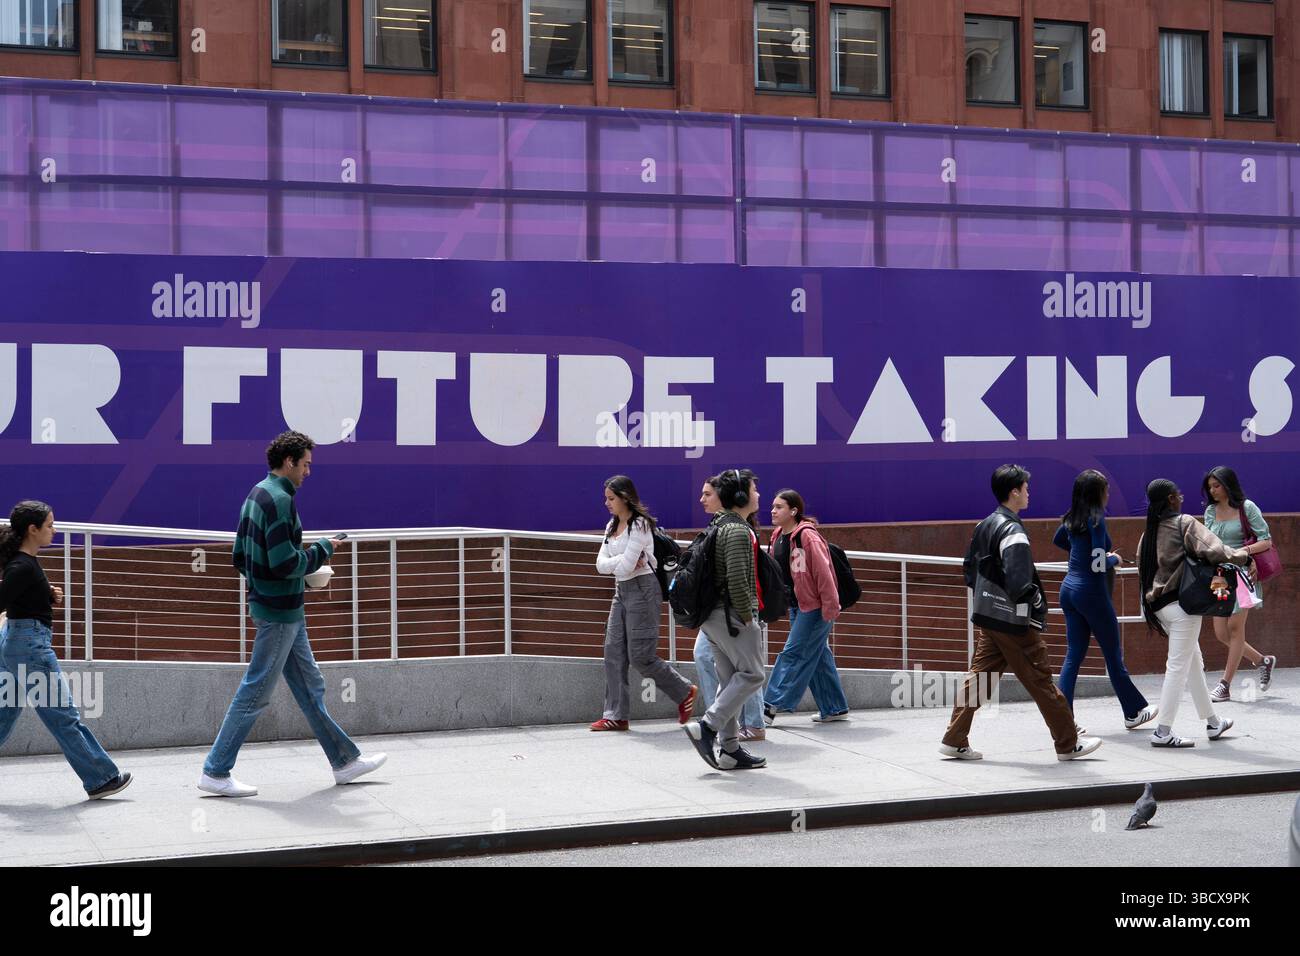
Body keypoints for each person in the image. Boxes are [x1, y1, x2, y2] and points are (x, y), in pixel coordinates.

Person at [199, 431, 386, 796]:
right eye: (306, 465)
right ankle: (215, 771)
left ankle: (345, 761)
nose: (308, 472)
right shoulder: (281, 499)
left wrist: (263, 585)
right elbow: (286, 562)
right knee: (256, 692)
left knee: (310, 687)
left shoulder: (256, 493)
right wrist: (320, 552)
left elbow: (240, 555)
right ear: (290, 462)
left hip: (277, 607)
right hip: (280, 612)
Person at [941, 465, 1101, 762]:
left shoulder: (984, 525)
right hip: (1013, 620)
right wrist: (1035, 602)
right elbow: (1019, 582)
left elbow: (969, 569)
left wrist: (987, 598)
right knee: (1040, 679)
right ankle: (1068, 743)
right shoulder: (1012, 530)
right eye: (1026, 488)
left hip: (988, 616)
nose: (1029, 492)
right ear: (1014, 492)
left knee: (979, 680)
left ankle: (954, 738)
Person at [0, 501, 132, 799]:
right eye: (49, 525)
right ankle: (101, 779)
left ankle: (99, 777)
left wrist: (46, 594)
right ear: (32, 530)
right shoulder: (22, 566)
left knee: (3, 713)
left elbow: (18, 595)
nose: (54, 530)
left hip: (17, 643)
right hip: (30, 648)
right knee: (63, 716)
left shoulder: (24, 563)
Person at [1137, 478, 1247, 747]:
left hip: (1159, 609)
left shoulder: (1147, 533)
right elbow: (1216, 550)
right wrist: (1245, 555)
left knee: (1192, 663)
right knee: (1177, 667)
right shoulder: (1184, 523)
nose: (1182, 497)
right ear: (1172, 499)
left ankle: (1212, 722)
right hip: (1183, 608)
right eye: (1179, 493)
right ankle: (1163, 732)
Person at [591, 475, 697, 731]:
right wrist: (620, 564)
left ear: (625, 497)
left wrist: (619, 564)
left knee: (641, 656)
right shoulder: (611, 525)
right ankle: (615, 715)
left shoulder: (640, 525)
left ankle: (684, 691)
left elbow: (627, 566)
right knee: (613, 652)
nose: (607, 503)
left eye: (611, 498)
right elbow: (600, 565)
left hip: (643, 589)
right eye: (606, 498)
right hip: (622, 591)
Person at [1053, 470, 1156, 732]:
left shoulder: (1071, 517)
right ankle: (1133, 711)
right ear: (1097, 494)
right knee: (1112, 655)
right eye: (1106, 489)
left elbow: (1059, 540)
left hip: (1069, 589)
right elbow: (1099, 564)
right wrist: (1115, 559)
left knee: (1073, 655)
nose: (1109, 494)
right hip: (1091, 592)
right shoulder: (1097, 518)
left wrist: (1084, 553)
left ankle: (1063, 720)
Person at [683, 469, 767, 770]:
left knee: (730, 679)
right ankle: (707, 726)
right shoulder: (737, 530)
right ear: (742, 495)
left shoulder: (720, 524)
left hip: (714, 619)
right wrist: (747, 617)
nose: (758, 495)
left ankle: (730, 750)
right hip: (731, 616)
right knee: (754, 674)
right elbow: (736, 577)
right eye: (754, 489)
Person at [763, 489, 850, 725]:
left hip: (815, 607)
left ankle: (769, 705)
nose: (772, 510)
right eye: (772, 506)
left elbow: (824, 573)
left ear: (793, 511)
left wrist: (830, 607)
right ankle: (834, 707)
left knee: (793, 653)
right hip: (796, 605)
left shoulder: (806, 536)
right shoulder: (778, 535)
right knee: (819, 656)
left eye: (779, 507)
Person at [1201, 466, 1278, 701]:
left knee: (1235, 629)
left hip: (1244, 576)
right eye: (1210, 487)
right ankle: (1262, 661)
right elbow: (1207, 542)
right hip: (1220, 578)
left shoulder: (1246, 507)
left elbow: (1266, 540)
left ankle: (1224, 685)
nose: (1213, 491)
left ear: (1228, 484)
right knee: (1221, 633)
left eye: (1217, 485)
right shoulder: (1211, 512)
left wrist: (1242, 552)